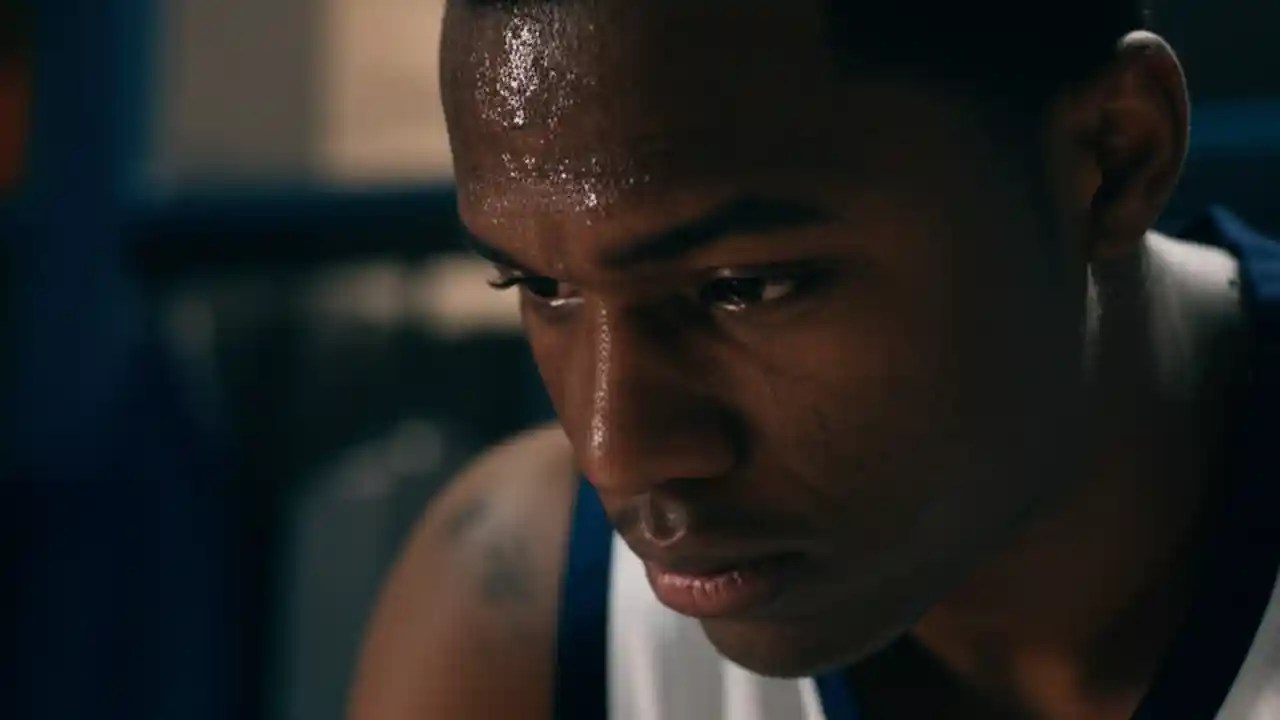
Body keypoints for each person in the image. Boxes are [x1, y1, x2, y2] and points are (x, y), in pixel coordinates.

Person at [348, 0, 1280, 717]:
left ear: (1112, 160)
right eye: (539, 286)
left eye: (742, 286)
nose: (617, 453)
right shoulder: (527, 630)